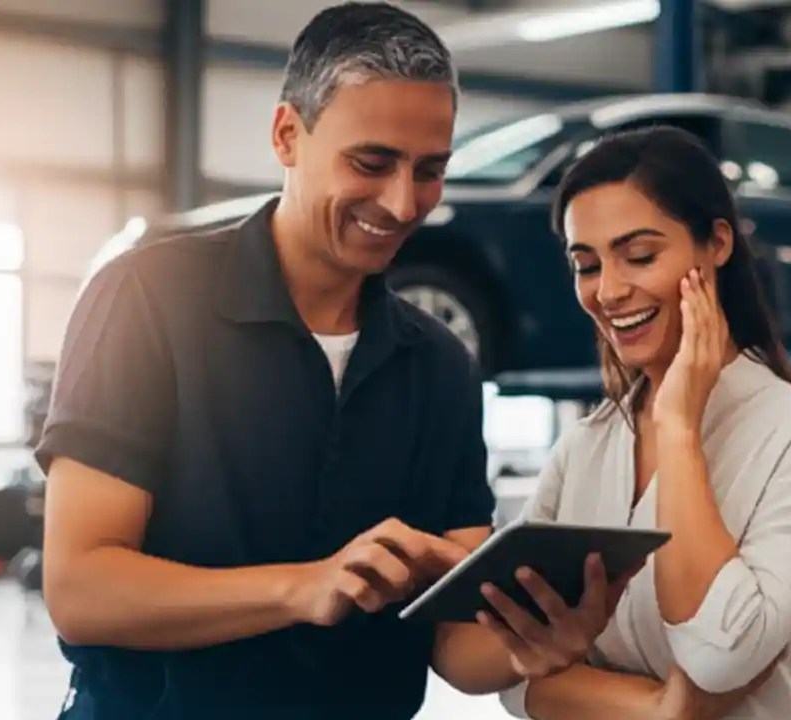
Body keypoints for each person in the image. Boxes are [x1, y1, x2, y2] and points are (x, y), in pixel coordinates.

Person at [35, 3, 628, 718]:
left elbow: (454, 646)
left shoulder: (439, 363)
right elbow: (81, 591)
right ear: (288, 134)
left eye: (430, 170)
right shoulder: (147, 298)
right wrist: (301, 588)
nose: (404, 202)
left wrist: (541, 638)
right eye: (372, 162)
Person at [497, 126, 791, 720]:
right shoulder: (587, 445)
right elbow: (517, 679)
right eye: (586, 265)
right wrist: (666, 709)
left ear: (716, 243)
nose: (610, 291)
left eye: (640, 256)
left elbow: (721, 656)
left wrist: (677, 429)